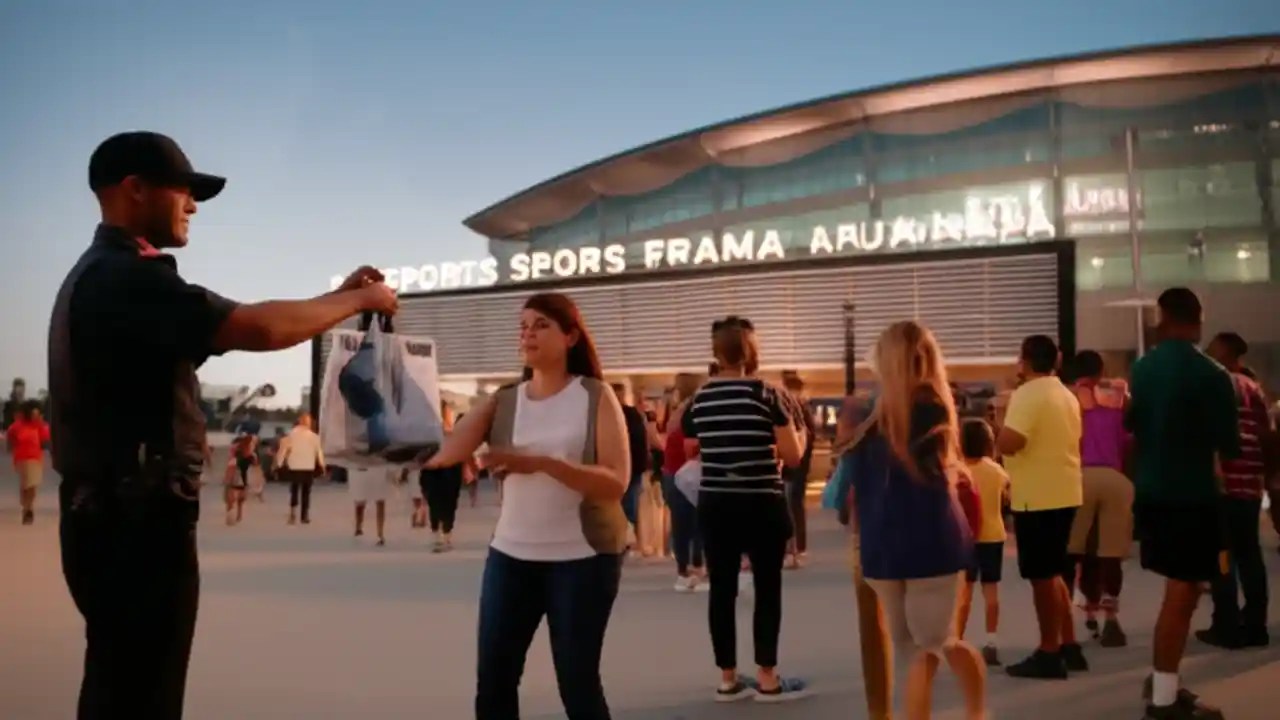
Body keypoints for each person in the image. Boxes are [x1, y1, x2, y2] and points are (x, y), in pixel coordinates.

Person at [47, 131, 397, 720]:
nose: (193, 205)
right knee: (143, 695)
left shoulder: (100, 275)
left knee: (117, 681)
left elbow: (247, 324)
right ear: (135, 190)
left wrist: (336, 296)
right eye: (183, 191)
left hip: (106, 518)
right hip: (137, 524)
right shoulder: (128, 278)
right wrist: (364, 302)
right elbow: (258, 329)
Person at [425, 292, 629, 720]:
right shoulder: (504, 400)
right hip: (511, 557)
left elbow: (616, 481)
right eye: (523, 326)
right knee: (494, 684)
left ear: (570, 336)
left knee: (578, 684)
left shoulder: (595, 396)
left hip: (583, 560)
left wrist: (540, 463)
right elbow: (444, 451)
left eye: (541, 325)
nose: (528, 333)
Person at [843, 320, 986, 720]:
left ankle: (970, 711)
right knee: (931, 646)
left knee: (920, 649)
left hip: (892, 544)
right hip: (918, 544)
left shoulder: (881, 411)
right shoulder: (926, 407)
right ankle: (975, 711)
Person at [681, 316, 808, 702]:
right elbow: (793, 455)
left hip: (716, 504)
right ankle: (767, 678)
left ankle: (727, 678)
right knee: (768, 589)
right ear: (752, 351)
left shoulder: (699, 398)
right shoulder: (767, 394)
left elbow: (691, 446)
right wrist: (796, 436)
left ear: (716, 353)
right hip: (761, 503)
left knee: (721, 590)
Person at [1129, 288, 1239, 720]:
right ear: (1198, 319)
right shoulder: (1212, 375)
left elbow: (1133, 428)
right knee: (1182, 593)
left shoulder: (1142, 369)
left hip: (1153, 492)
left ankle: (1165, 680)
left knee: (1181, 591)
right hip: (1192, 496)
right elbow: (1228, 446)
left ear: (1162, 318)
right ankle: (1162, 700)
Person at [997, 334, 1087, 680]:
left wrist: (999, 426)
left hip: (1037, 495)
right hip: (1065, 490)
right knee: (1055, 572)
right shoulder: (1066, 394)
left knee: (1041, 577)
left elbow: (1012, 442)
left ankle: (1049, 651)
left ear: (1024, 361)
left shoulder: (1027, 394)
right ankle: (1068, 643)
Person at [1198, 331, 1272, 649]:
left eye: (1213, 349)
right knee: (1250, 554)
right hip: (1251, 485)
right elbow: (1269, 435)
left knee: (1222, 556)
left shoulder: (1218, 383)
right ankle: (1256, 626)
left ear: (1227, 353)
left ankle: (1225, 626)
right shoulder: (1255, 389)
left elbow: (1209, 433)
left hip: (1223, 484)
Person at [1065, 351, 1134, 648]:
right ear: (1101, 370)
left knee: (1076, 551)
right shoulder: (1118, 397)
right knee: (1110, 553)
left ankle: (1071, 617)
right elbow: (1131, 440)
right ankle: (1111, 619)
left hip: (1079, 479)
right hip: (1115, 478)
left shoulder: (1068, 399)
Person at [956, 418, 1010, 667]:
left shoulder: (959, 471)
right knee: (991, 591)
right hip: (993, 536)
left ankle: (957, 640)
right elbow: (1008, 494)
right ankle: (991, 641)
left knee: (964, 593)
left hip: (966, 538)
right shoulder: (996, 470)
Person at [662, 372, 707, 592]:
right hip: (688, 471)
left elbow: (667, 436)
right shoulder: (694, 410)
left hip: (672, 470)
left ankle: (684, 571)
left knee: (681, 524)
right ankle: (695, 568)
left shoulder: (676, 411)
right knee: (697, 523)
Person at [614, 383, 655, 556]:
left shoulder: (631, 414)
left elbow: (643, 437)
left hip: (635, 466)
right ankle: (625, 541)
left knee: (630, 505)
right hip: (623, 466)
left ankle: (629, 542)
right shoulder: (616, 414)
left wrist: (646, 458)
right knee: (626, 505)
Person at [781, 374, 817, 569]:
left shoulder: (798, 410)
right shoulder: (803, 410)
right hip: (797, 467)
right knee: (794, 506)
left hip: (794, 467)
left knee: (791, 506)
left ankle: (793, 550)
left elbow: (805, 439)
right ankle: (796, 548)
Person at [421, 405, 466, 553]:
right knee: (434, 502)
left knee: (450, 502)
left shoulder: (456, 431)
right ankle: (436, 535)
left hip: (451, 468)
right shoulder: (429, 431)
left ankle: (446, 535)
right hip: (433, 469)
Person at [276, 412, 325, 525]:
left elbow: (283, 450)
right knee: (306, 492)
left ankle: (293, 513)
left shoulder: (290, 435)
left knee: (294, 490)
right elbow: (319, 452)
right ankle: (304, 516)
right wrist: (322, 465)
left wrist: (279, 463)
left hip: (294, 466)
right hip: (308, 466)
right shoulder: (314, 437)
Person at [8, 400, 51, 525]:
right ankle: (27, 508)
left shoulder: (39, 425)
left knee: (32, 485)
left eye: (37, 414)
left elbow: (45, 439)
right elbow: (10, 437)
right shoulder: (18, 426)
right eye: (33, 414)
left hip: (36, 458)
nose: (35, 416)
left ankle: (28, 508)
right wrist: (11, 447)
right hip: (22, 458)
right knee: (26, 485)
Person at [226, 431, 257, 524]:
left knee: (232, 496)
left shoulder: (237, 451)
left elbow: (231, 462)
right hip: (242, 475)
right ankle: (238, 514)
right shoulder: (251, 455)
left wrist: (227, 476)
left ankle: (231, 513)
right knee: (240, 497)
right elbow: (255, 465)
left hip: (236, 473)